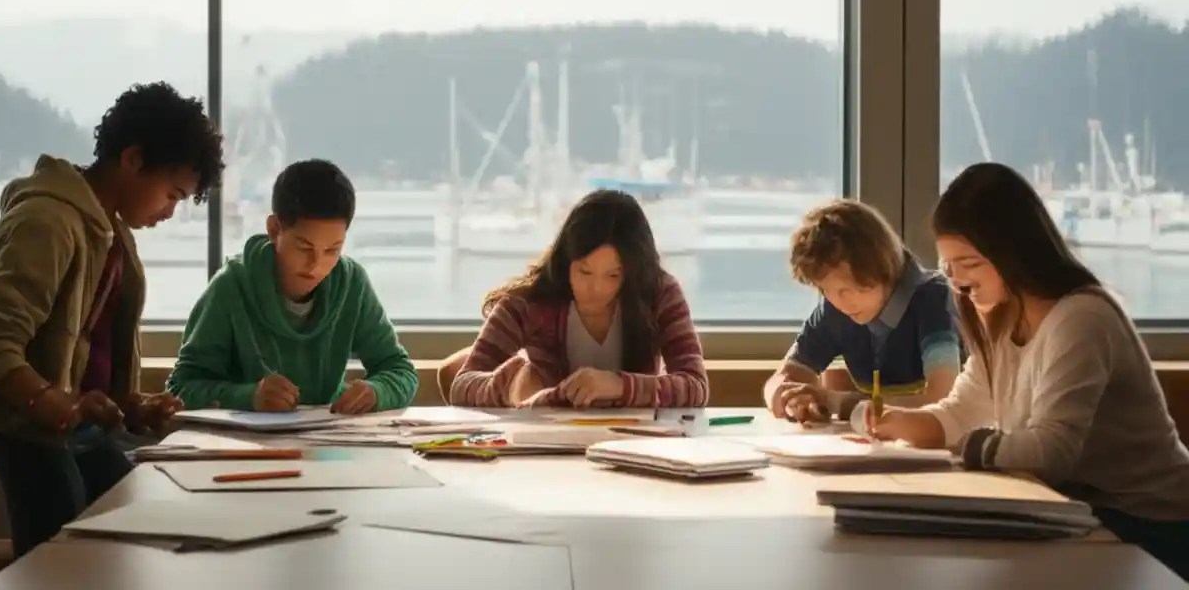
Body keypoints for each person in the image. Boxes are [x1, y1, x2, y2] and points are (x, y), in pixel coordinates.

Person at [866, 162, 1189, 581]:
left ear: (1013, 253)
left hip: (1151, 524)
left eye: (970, 264)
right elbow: (962, 412)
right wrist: (899, 423)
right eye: (949, 266)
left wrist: (971, 446)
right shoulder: (1001, 318)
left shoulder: (1082, 319)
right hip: (1082, 513)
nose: (958, 281)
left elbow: (1051, 452)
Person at [0, 81, 225, 557]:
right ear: (134, 160)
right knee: (60, 553)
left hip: (72, 421)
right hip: (25, 423)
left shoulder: (110, 232)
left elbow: (86, 351)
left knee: (127, 516)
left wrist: (128, 405)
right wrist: (47, 400)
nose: (169, 212)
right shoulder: (48, 223)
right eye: (171, 195)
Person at [168, 159, 418, 414]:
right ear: (275, 229)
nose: (316, 265)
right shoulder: (230, 287)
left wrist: (378, 391)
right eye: (304, 247)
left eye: (333, 250)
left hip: (328, 438)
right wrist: (247, 396)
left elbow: (400, 371)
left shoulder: (352, 283)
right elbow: (181, 388)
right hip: (246, 445)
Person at [448, 189, 708, 408]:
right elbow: (461, 386)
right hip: (547, 447)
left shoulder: (659, 293)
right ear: (566, 261)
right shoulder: (528, 304)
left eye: (613, 275)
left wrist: (619, 385)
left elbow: (695, 386)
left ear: (633, 273)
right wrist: (510, 386)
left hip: (634, 447)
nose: (596, 287)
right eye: (584, 271)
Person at [764, 199, 961, 423]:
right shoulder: (837, 309)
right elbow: (785, 375)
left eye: (846, 289)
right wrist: (786, 396)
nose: (838, 302)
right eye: (825, 289)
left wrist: (835, 402)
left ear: (879, 266)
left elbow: (942, 400)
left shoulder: (935, 299)